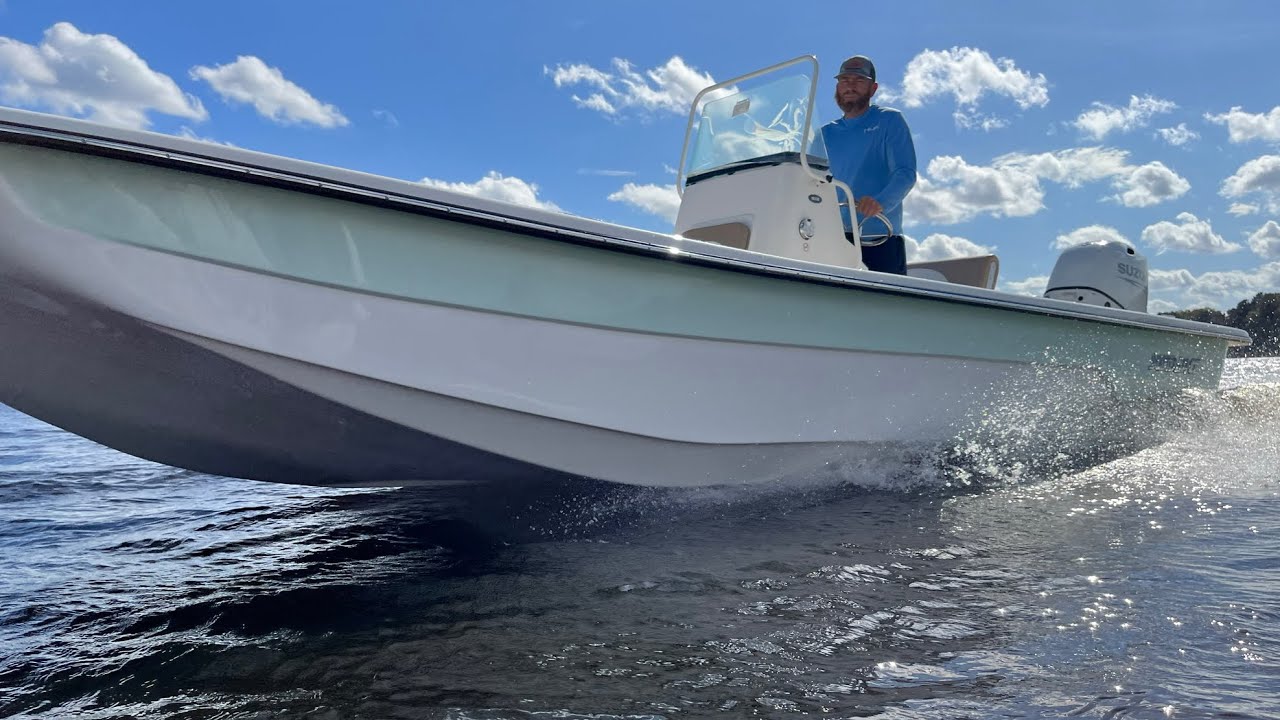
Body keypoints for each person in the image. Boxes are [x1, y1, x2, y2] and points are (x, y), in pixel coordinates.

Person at [819, 55, 917, 274]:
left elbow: (905, 173)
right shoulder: (824, 135)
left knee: (885, 306)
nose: (850, 85)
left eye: (859, 80)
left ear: (873, 89)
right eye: (845, 80)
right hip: (832, 239)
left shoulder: (889, 121)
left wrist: (879, 202)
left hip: (879, 239)